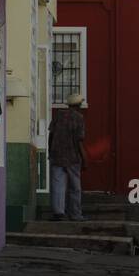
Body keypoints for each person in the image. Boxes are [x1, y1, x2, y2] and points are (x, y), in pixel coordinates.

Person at [48, 92, 87, 222]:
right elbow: (79, 141)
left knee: (57, 185)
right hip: (73, 157)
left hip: (57, 155)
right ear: (79, 105)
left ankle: (58, 213)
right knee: (75, 187)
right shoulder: (79, 118)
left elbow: (51, 135)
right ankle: (75, 214)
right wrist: (84, 158)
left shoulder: (58, 115)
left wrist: (50, 152)